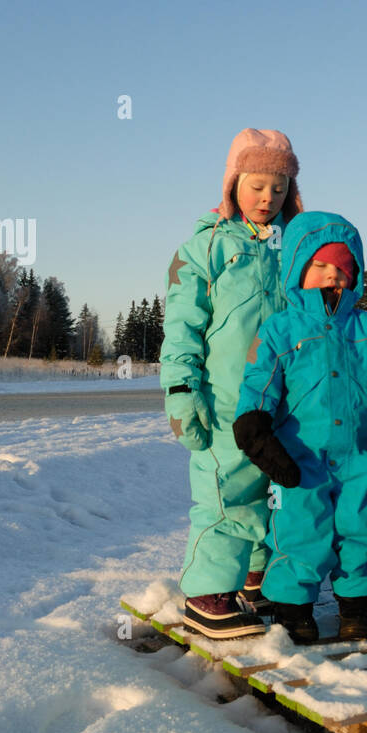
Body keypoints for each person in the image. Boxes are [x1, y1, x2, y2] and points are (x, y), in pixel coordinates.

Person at [232, 211, 367, 645]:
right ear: (299, 268)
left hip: (360, 456)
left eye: (343, 268)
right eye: (321, 266)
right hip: (301, 458)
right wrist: (256, 431)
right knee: (301, 530)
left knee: (364, 526)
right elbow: (258, 384)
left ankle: (356, 606)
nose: (332, 276)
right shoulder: (280, 329)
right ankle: (293, 610)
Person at [159, 127, 303, 639]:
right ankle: (205, 594)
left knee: (279, 483)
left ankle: (254, 575)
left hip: (285, 394)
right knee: (229, 485)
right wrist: (181, 388)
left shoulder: (296, 249)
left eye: (280, 187)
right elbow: (182, 326)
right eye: (258, 185)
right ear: (234, 182)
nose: (269, 198)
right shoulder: (206, 247)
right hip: (226, 397)